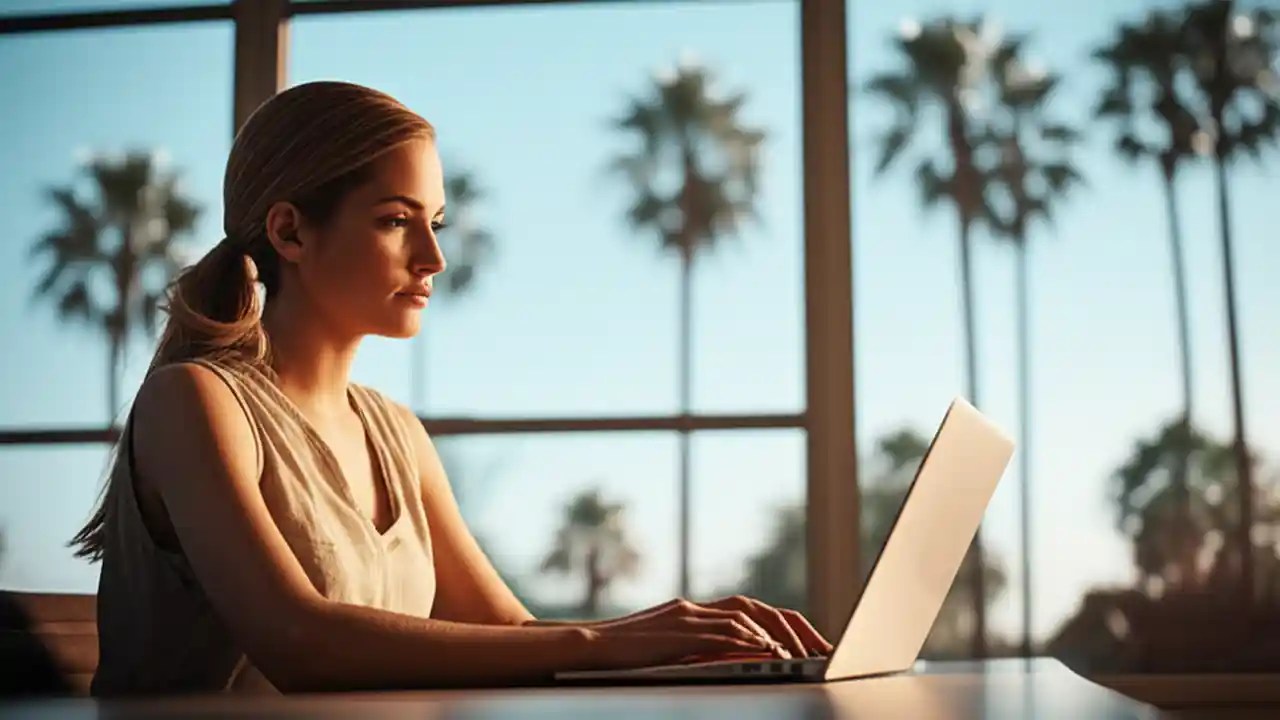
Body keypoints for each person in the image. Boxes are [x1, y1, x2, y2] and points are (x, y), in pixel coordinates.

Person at [70, 80, 831, 696]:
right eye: (396, 221)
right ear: (290, 231)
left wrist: (675, 644)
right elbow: (299, 642)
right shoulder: (195, 402)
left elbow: (511, 633)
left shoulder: (396, 432)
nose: (433, 257)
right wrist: (603, 642)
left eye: (435, 221)